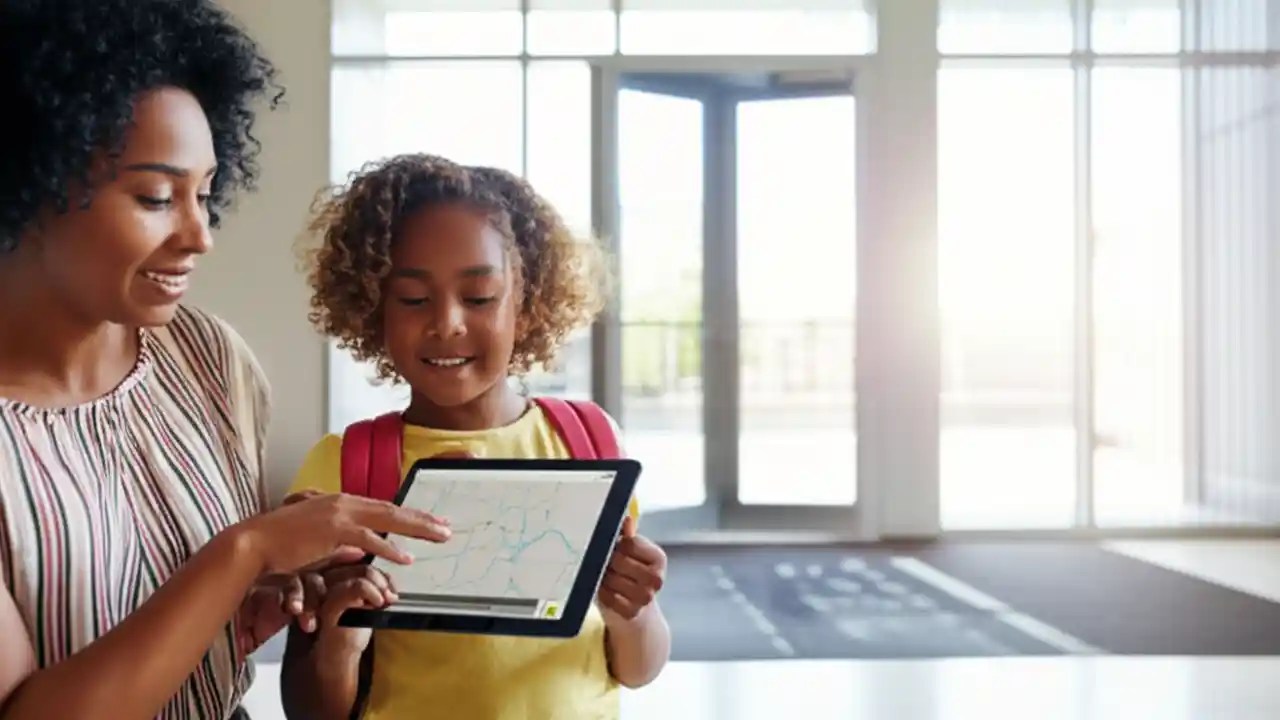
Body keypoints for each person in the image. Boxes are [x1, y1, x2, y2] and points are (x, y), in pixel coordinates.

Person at [0, 3, 452, 719]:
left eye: (205, 195)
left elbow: (191, 619)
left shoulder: (208, 357)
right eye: (155, 196)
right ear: (28, 182)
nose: (199, 235)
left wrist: (264, 592)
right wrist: (244, 552)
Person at [281, 156, 671, 719]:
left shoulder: (588, 441)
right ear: (374, 310)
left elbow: (637, 668)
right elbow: (310, 710)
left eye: (480, 297)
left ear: (527, 302)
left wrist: (633, 611)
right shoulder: (345, 468)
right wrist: (342, 641)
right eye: (414, 299)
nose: (447, 323)